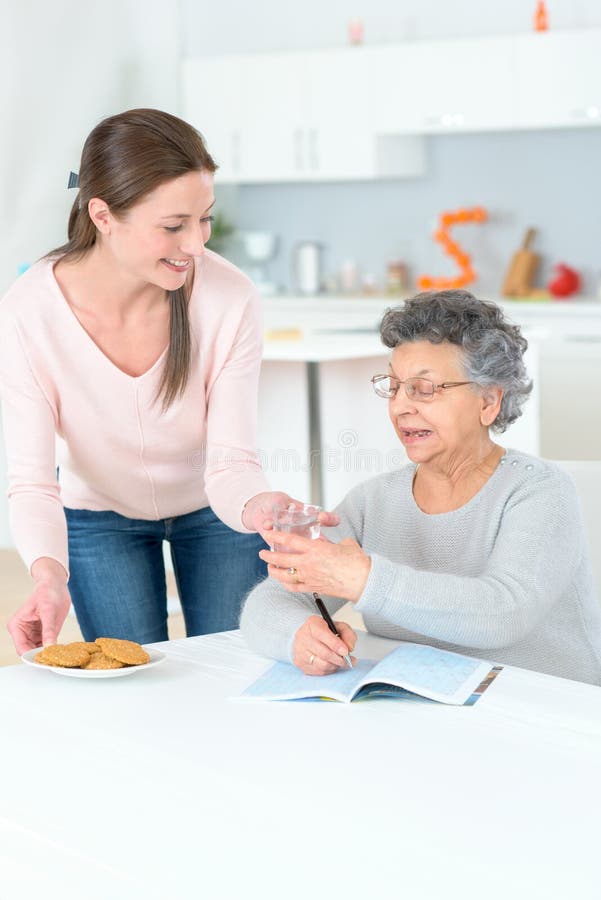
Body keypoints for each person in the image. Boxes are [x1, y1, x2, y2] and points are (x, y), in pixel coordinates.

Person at [0, 108, 335, 654]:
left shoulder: (228, 296)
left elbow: (231, 464)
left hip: (215, 512)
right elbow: (34, 482)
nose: (198, 243)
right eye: (173, 226)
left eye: (204, 218)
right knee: (130, 680)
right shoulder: (26, 315)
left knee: (232, 664)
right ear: (103, 216)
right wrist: (47, 577)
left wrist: (261, 508)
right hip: (98, 517)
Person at [241, 290, 601, 685]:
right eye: (393, 387)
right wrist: (296, 634)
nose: (400, 406)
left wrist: (363, 579)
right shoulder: (372, 502)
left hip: (546, 712)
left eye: (424, 389)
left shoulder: (540, 492)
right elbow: (272, 600)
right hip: (421, 711)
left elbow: (504, 613)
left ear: (489, 402)